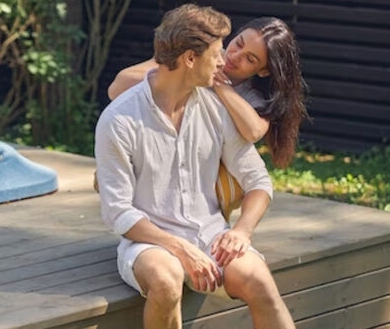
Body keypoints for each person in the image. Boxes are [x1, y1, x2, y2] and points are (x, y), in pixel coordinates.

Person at [94, 3, 356, 329]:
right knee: (164, 276)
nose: (226, 65)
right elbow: (118, 213)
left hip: (209, 231)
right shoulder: (120, 119)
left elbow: (258, 181)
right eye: (221, 52)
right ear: (191, 58)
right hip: (147, 239)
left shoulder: (214, 108)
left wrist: (243, 232)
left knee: (258, 278)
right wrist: (179, 248)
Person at [107, 17, 307, 219]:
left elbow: (254, 131)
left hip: (208, 171)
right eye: (238, 43)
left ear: (263, 71)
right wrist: (176, 74)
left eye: (250, 59)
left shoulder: (252, 96)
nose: (235, 56)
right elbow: (117, 88)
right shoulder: (200, 53)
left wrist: (219, 84)